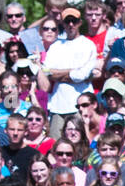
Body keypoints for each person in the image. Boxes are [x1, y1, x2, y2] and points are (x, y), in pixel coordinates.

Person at [36, 9, 96, 137]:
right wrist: (72, 70)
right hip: (58, 105)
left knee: (79, 145)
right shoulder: (55, 46)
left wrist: (58, 74)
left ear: (80, 22)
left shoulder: (88, 45)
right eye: (67, 21)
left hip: (80, 106)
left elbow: (82, 75)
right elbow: (47, 72)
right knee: (55, 145)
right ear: (63, 24)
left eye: (74, 21)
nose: (70, 25)